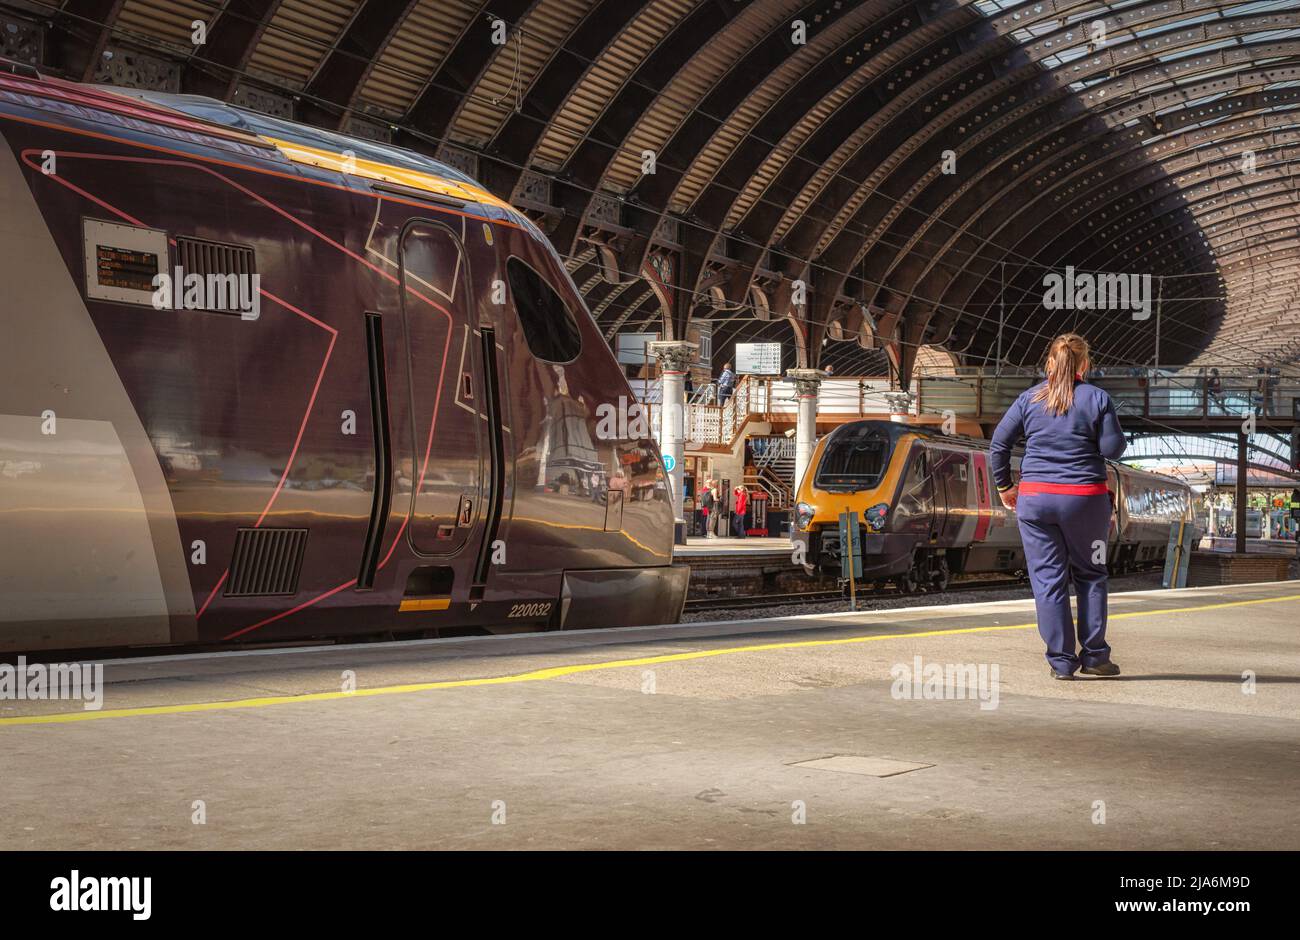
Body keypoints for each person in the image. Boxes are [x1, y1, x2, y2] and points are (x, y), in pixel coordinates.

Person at [990, 333, 1127, 681]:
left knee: (1048, 581)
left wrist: (1005, 487)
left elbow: (999, 445)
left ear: (1050, 363)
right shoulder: (1097, 398)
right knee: (1091, 574)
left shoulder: (1028, 399)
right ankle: (1095, 656)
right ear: (1085, 364)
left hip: (1035, 502)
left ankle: (1062, 663)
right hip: (1085, 502)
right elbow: (1112, 450)